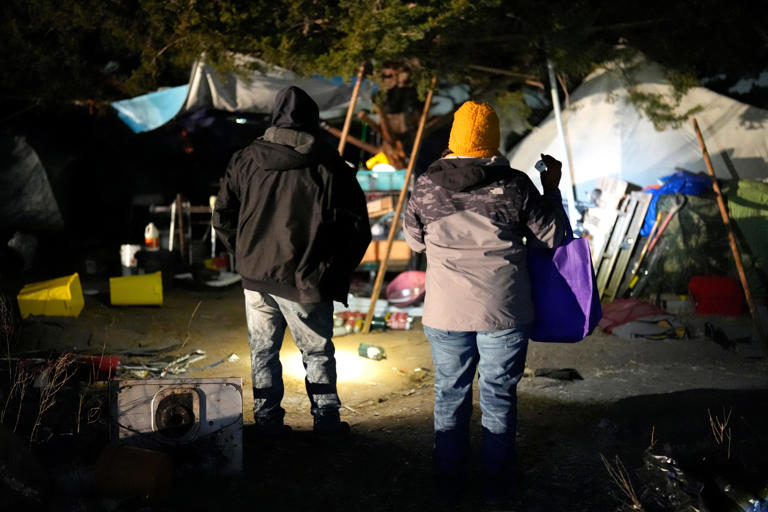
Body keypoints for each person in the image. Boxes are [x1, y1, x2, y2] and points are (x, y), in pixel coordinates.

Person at [403, 101, 569, 505]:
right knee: (498, 395)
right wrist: (551, 188)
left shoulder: (426, 184)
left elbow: (413, 241)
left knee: (449, 394)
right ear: (493, 140)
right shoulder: (515, 185)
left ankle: (448, 482)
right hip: (504, 311)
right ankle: (496, 486)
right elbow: (554, 238)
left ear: (454, 139)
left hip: (445, 312)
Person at [213, 86, 371, 436]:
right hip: (307, 275)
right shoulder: (331, 164)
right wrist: (335, 269)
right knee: (316, 351)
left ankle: (267, 421)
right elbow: (358, 227)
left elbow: (222, 214)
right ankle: (326, 421)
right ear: (313, 120)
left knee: (262, 350)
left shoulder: (246, 159)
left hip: (256, 275)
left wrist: (244, 255)